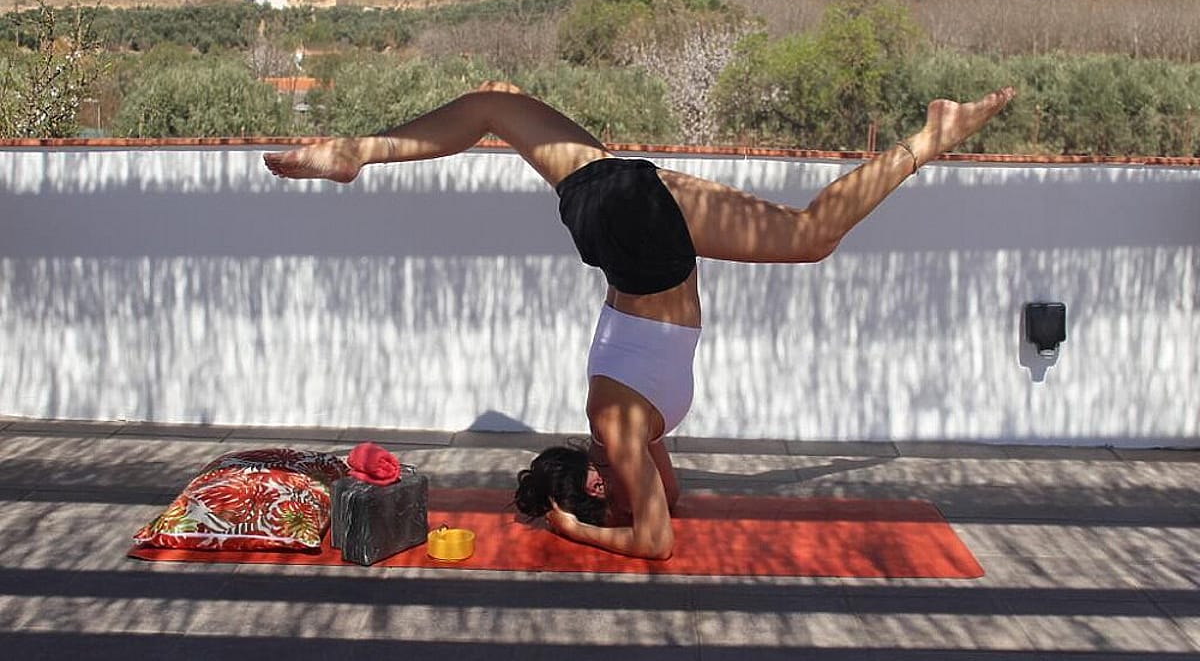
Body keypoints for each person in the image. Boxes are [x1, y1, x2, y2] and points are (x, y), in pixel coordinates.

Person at [264, 81, 1016, 560]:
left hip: (640, 231)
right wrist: (611, 500)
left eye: (611, 492)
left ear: (597, 481)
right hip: (627, 214)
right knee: (495, 103)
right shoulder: (630, 434)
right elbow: (670, 507)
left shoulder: (620, 426)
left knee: (809, 237)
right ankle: (355, 151)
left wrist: (572, 527)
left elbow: (655, 539)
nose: (634, 491)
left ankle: (929, 140)